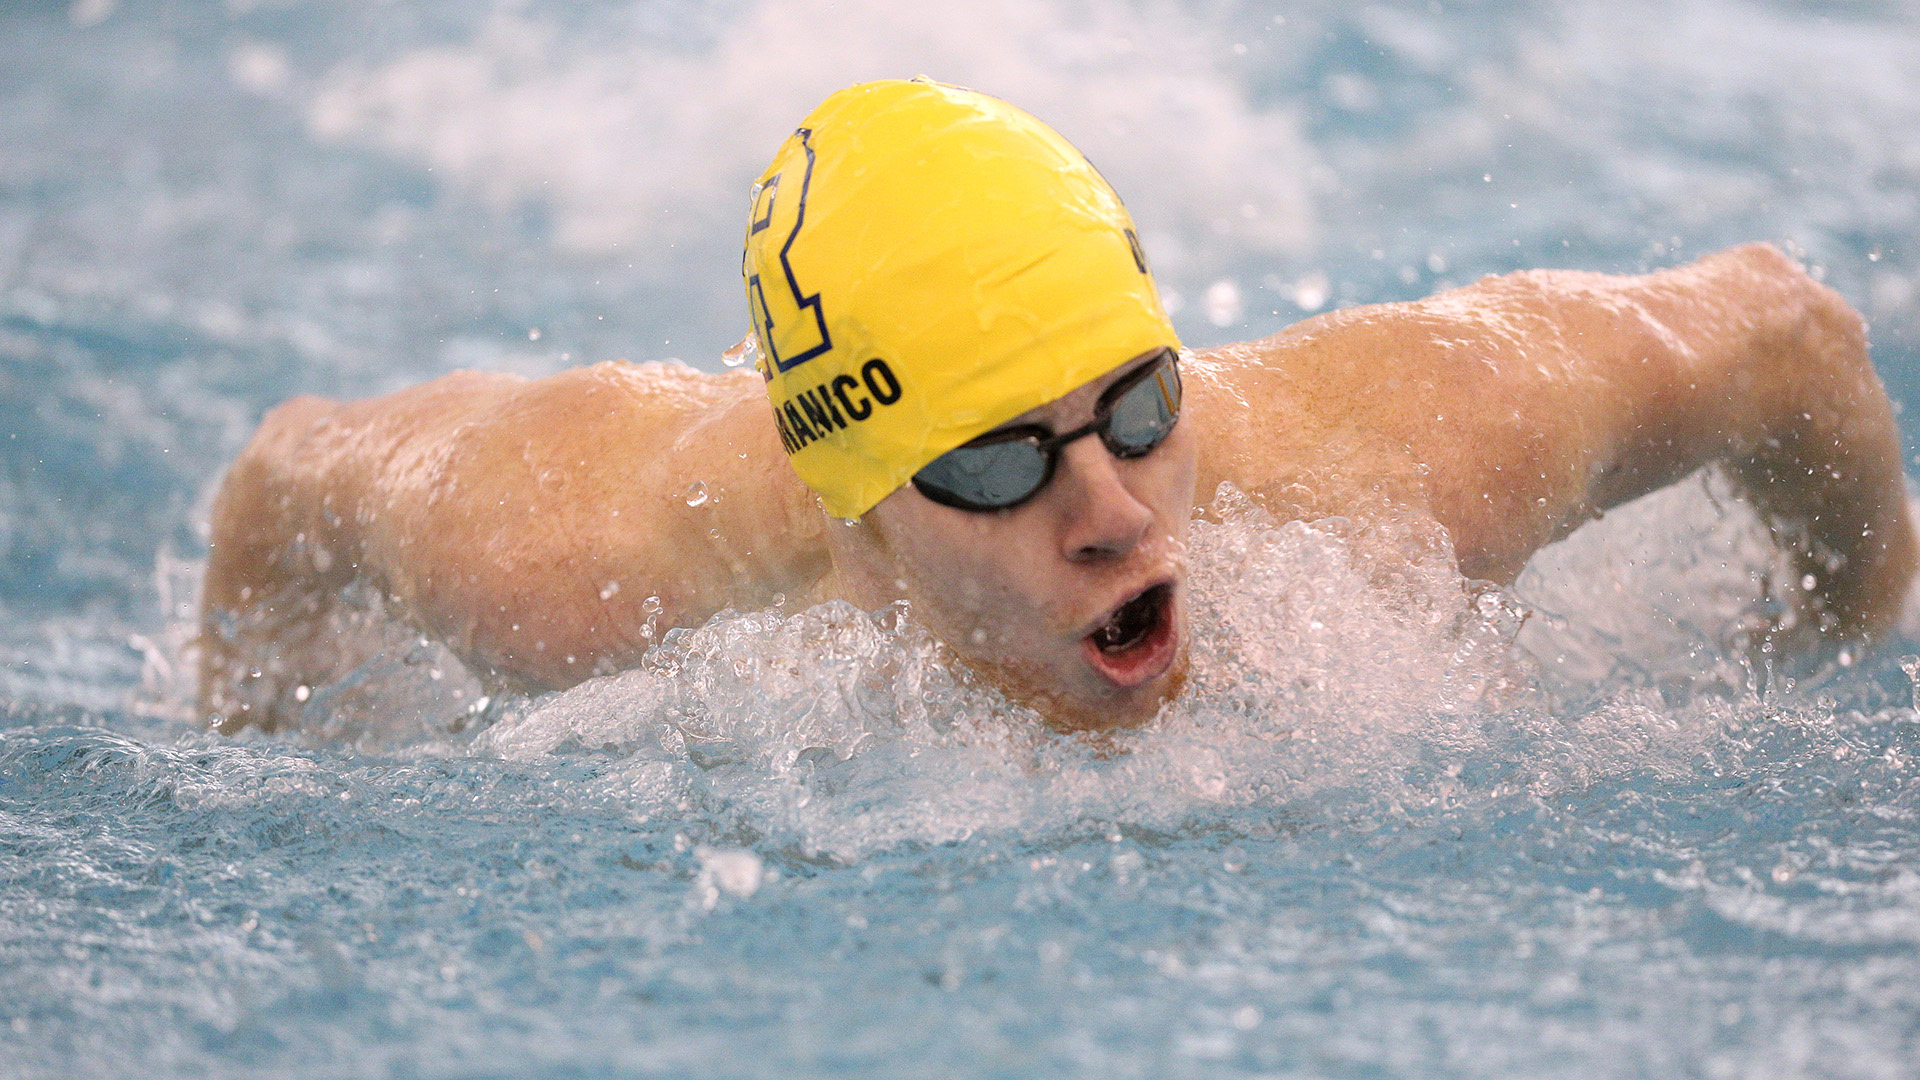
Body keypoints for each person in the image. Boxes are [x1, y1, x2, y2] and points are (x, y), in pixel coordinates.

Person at [198, 79, 1917, 734]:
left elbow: (1789, 332)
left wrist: (1839, 631)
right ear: (856, 490)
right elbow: (283, 479)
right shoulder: (568, 559)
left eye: (1135, 410)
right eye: (996, 461)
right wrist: (256, 740)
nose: (1109, 510)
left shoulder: (1410, 459)